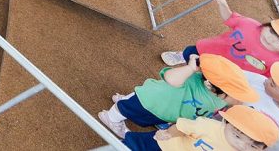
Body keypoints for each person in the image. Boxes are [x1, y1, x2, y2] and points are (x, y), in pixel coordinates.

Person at [98, 52, 258, 138]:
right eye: (234, 93)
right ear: (210, 85)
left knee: (136, 108)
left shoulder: (223, 97)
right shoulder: (191, 78)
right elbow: (170, 78)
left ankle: (125, 101)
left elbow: (236, 103)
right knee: (130, 107)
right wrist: (190, 68)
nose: (238, 97)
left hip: (167, 110)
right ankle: (111, 117)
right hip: (153, 100)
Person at [161, 0, 279, 77]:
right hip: (209, 50)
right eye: (272, 31)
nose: (271, 39)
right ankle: (182, 57)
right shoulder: (250, 24)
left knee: (206, 81)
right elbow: (229, 18)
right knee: (190, 54)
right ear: (268, 25)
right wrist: (223, 4)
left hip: (227, 74)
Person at [120, 106, 279, 151]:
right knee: (132, 146)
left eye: (253, 146)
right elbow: (182, 127)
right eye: (237, 136)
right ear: (226, 123)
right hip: (166, 145)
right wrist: (168, 133)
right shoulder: (209, 126)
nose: (243, 146)